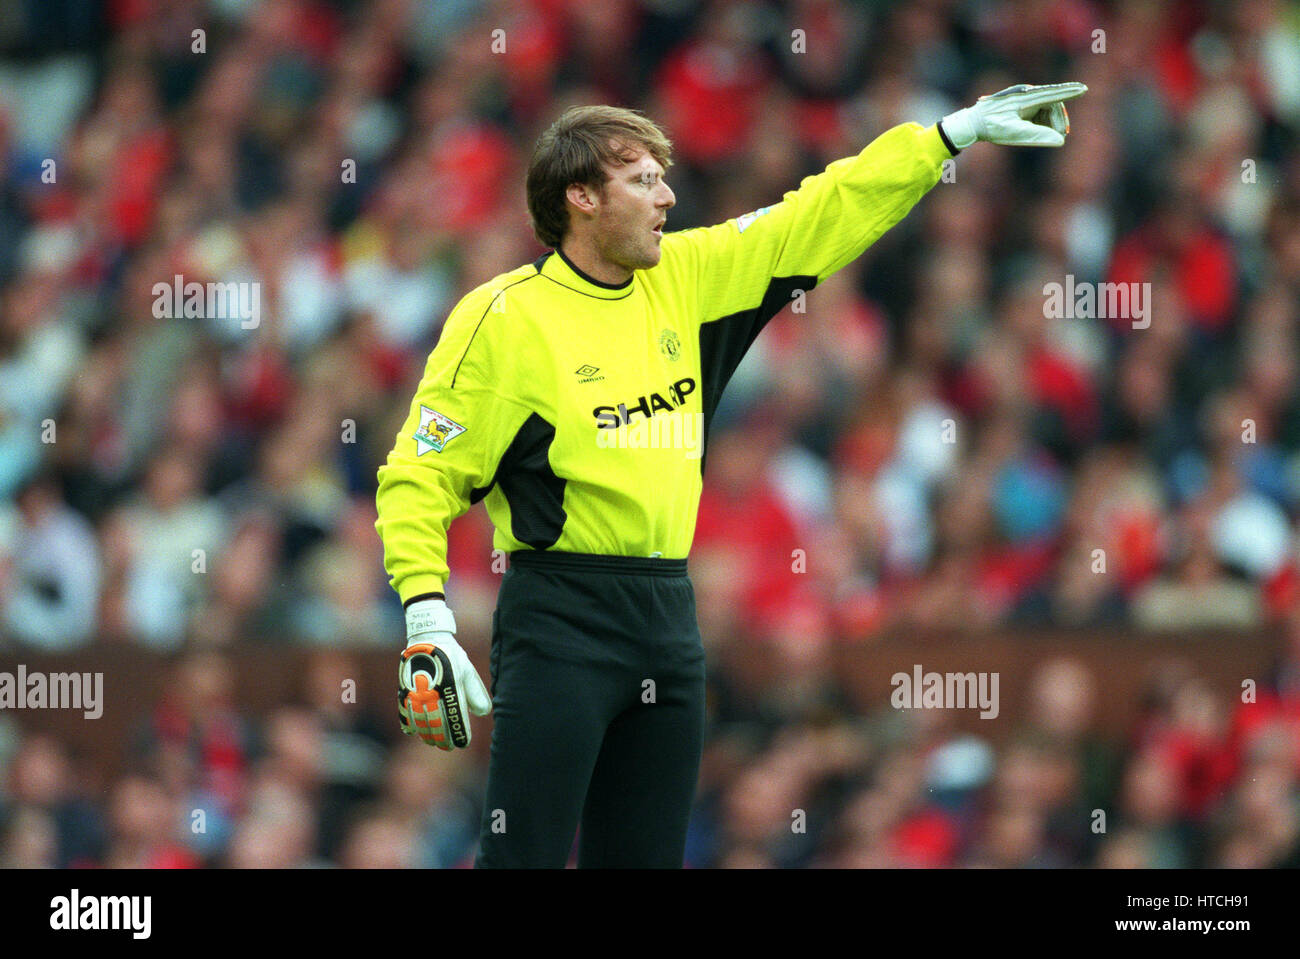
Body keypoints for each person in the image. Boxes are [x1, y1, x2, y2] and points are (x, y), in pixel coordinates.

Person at [374, 82, 1087, 868]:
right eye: (642, 179)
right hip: (558, 618)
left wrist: (945, 136)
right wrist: (425, 613)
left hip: (668, 621)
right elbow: (419, 473)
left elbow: (821, 211)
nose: (667, 195)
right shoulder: (503, 319)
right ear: (579, 197)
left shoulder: (691, 275)